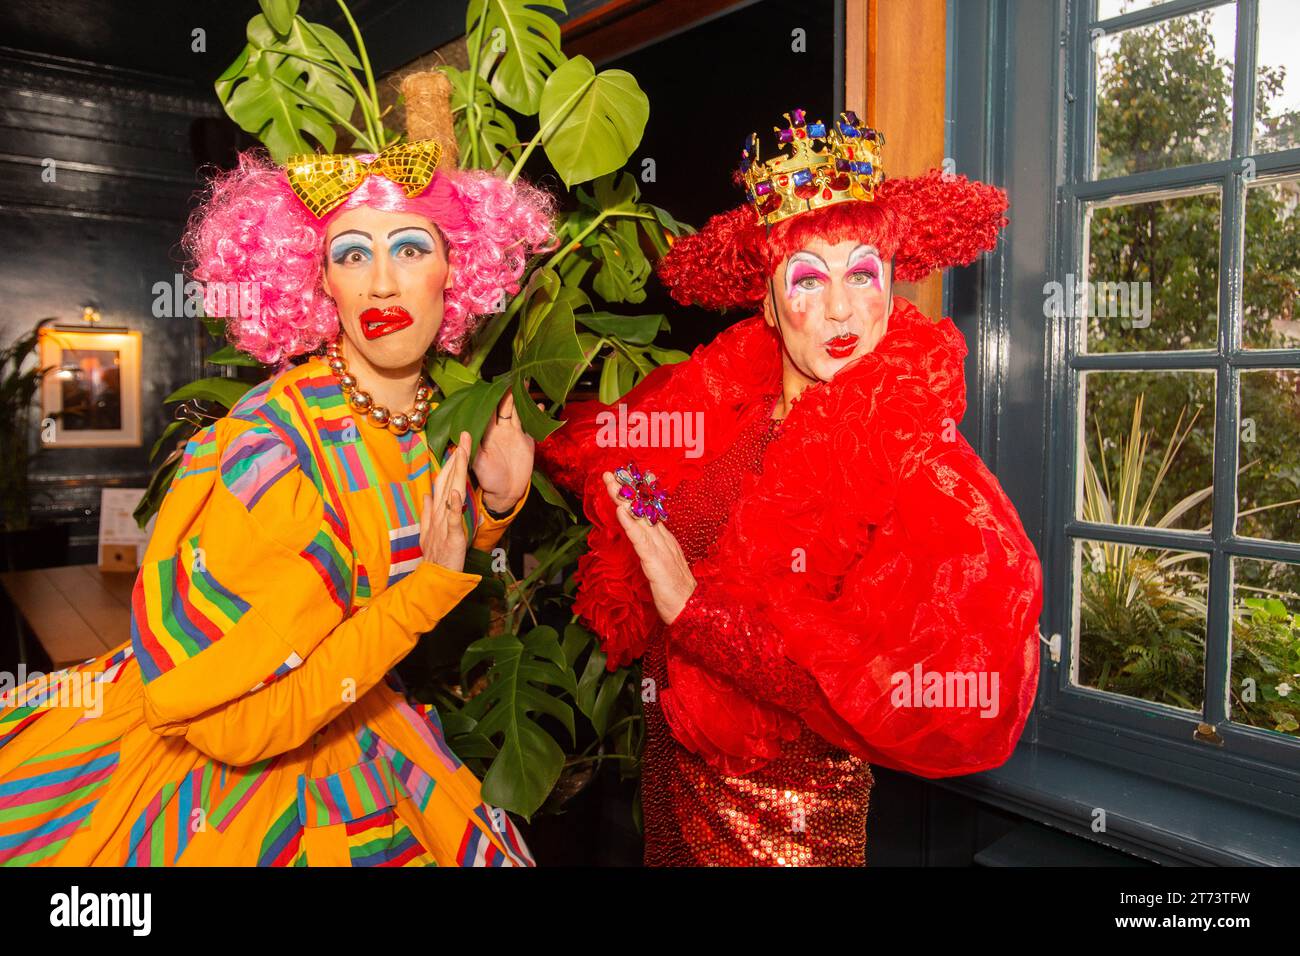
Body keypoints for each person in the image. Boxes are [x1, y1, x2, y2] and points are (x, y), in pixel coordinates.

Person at [0, 139, 552, 866]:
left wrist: (498, 505)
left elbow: (404, 549)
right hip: (236, 777)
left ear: (458, 269)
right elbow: (238, 726)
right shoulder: (270, 451)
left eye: (411, 247)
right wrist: (426, 594)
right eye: (352, 254)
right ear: (320, 280)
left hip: (365, 731)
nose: (382, 282)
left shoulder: (437, 412)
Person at [536, 109, 1043, 866]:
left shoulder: (914, 461)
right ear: (770, 305)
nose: (841, 308)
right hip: (671, 793)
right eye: (808, 278)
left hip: (787, 834)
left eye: (863, 273)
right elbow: (621, 458)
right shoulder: (721, 404)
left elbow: (935, 693)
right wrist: (515, 472)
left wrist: (697, 616)